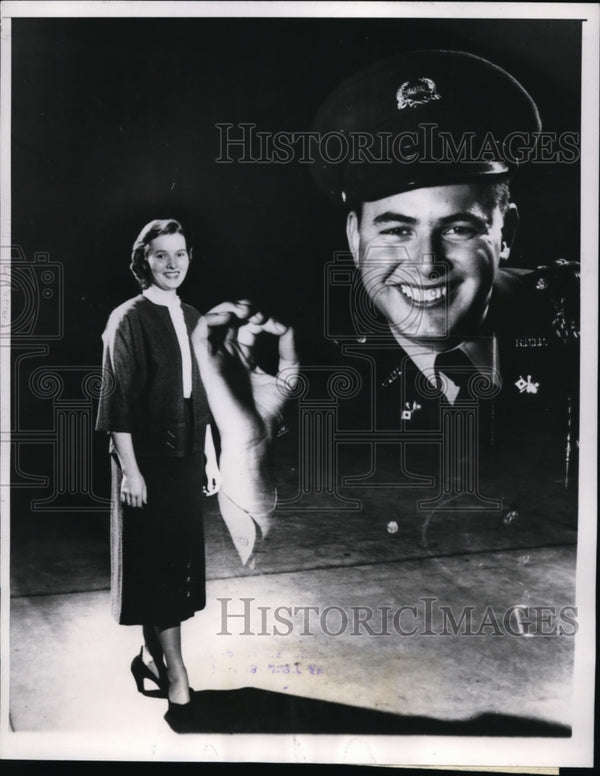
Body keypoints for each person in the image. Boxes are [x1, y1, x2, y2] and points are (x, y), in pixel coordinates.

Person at [309, 50, 579, 517]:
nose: (427, 263)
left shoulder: (576, 324)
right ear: (355, 239)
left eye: (457, 229)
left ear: (507, 234)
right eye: (397, 230)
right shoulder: (315, 385)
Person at [96, 219, 297, 731]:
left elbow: (200, 396)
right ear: (144, 261)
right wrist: (131, 472)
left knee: (168, 566)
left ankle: (150, 657)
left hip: (187, 460)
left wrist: (208, 457)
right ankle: (177, 675)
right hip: (145, 463)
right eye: (161, 255)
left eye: (180, 254)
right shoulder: (126, 319)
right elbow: (117, 404)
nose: (172, 264)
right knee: (156, 565)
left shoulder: (193, 317)